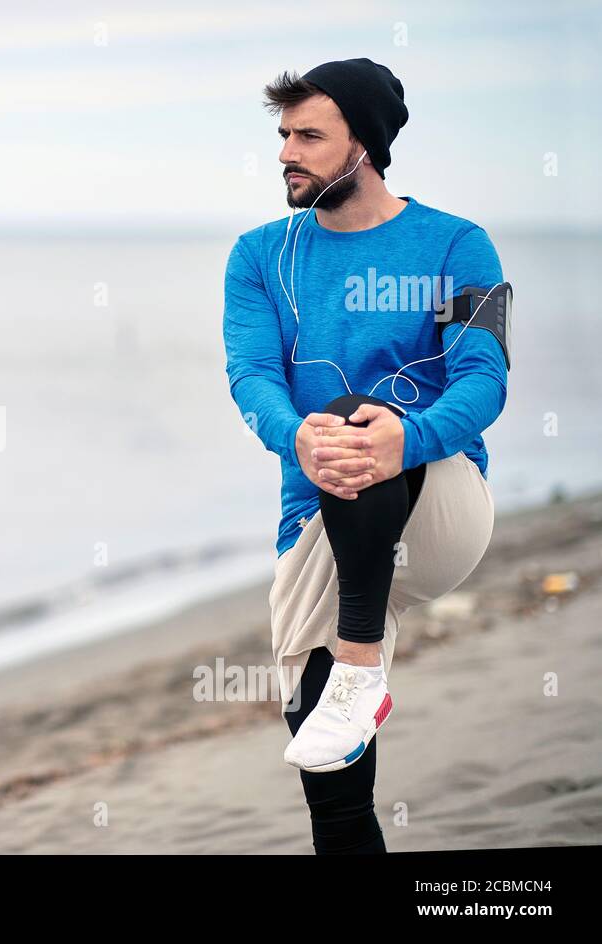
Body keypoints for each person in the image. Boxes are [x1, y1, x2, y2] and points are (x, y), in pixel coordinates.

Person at [221, 58, 509, 854]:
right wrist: (298, 436)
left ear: (366, 145)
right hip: (317, 525)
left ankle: (360, 665)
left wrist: (405, 437)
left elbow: (485, 378)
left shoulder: (458, 245)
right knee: (336, 801)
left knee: (357, 414)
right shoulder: (257, 256)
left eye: (310, 135)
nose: (288, 151)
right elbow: (250, 375)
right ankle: (351, 679)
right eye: (283, 135)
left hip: (439, 508)